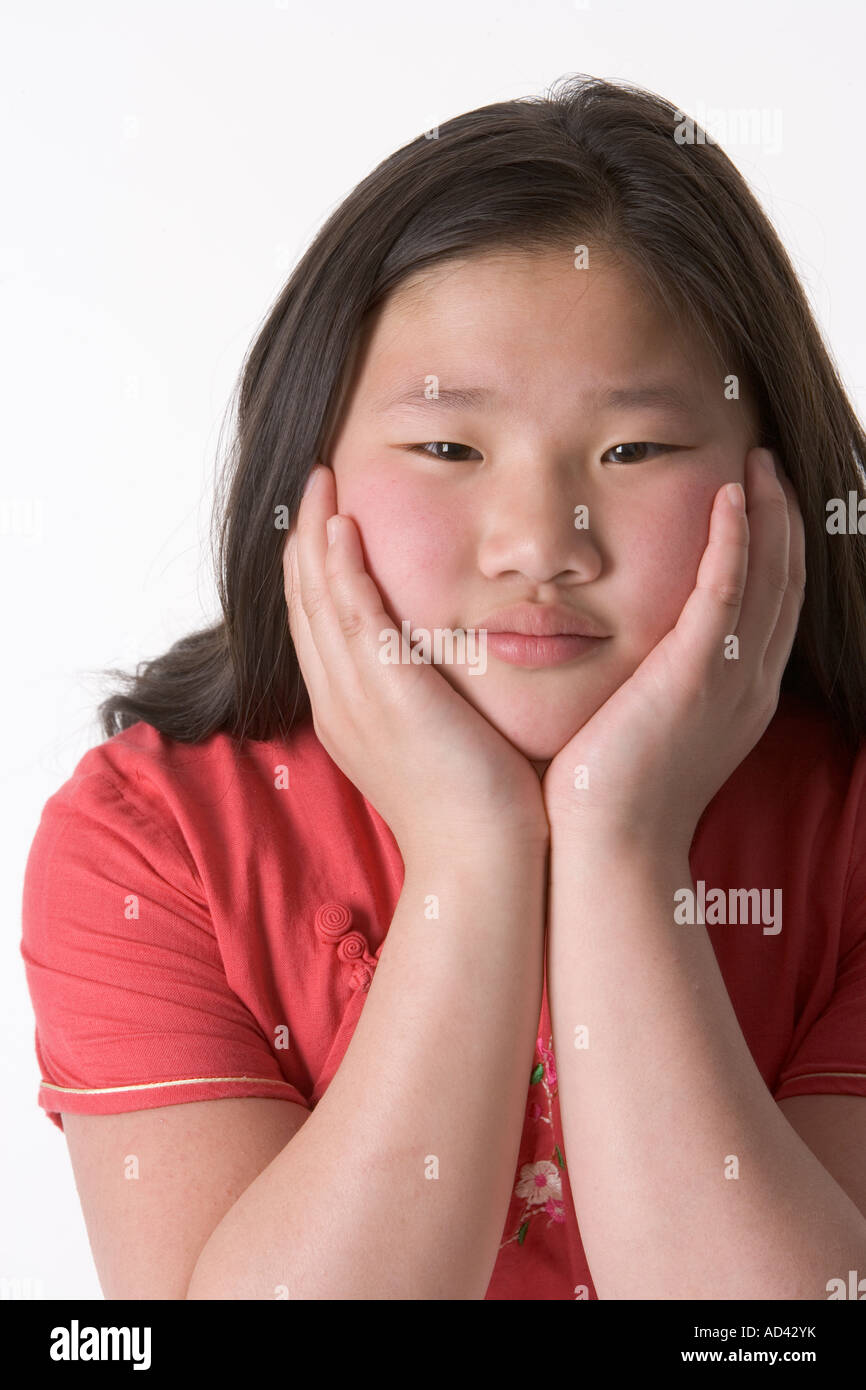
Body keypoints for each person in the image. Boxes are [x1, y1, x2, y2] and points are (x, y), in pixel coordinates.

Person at [20, 73, 866, 1300]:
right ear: (306, 484)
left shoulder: (842, 838)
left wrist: (620, 843)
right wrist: (470, 854)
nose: (538, 539)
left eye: (632, 449)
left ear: (773, 487)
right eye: (447, 448)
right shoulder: (154, 848)